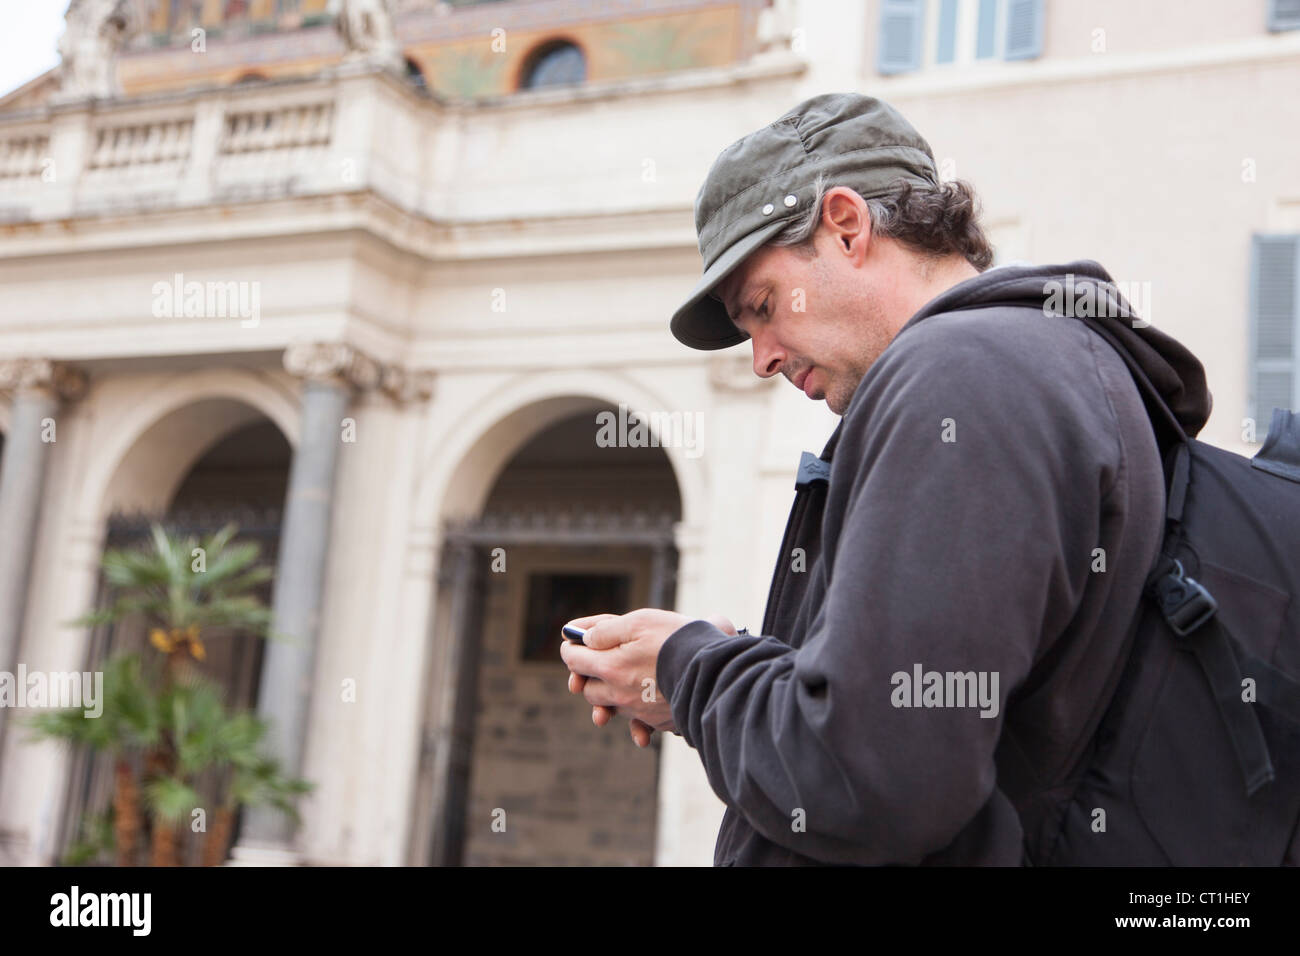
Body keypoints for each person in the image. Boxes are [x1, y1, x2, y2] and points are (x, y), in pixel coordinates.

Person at [559, 92, 1212, 865]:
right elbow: (929, 734)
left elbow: (868, 781)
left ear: (845, 226)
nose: (762, 356)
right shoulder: (1034, 365)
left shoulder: (963, 378)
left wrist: (693, 668)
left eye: (764, 308)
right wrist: (742, 683)